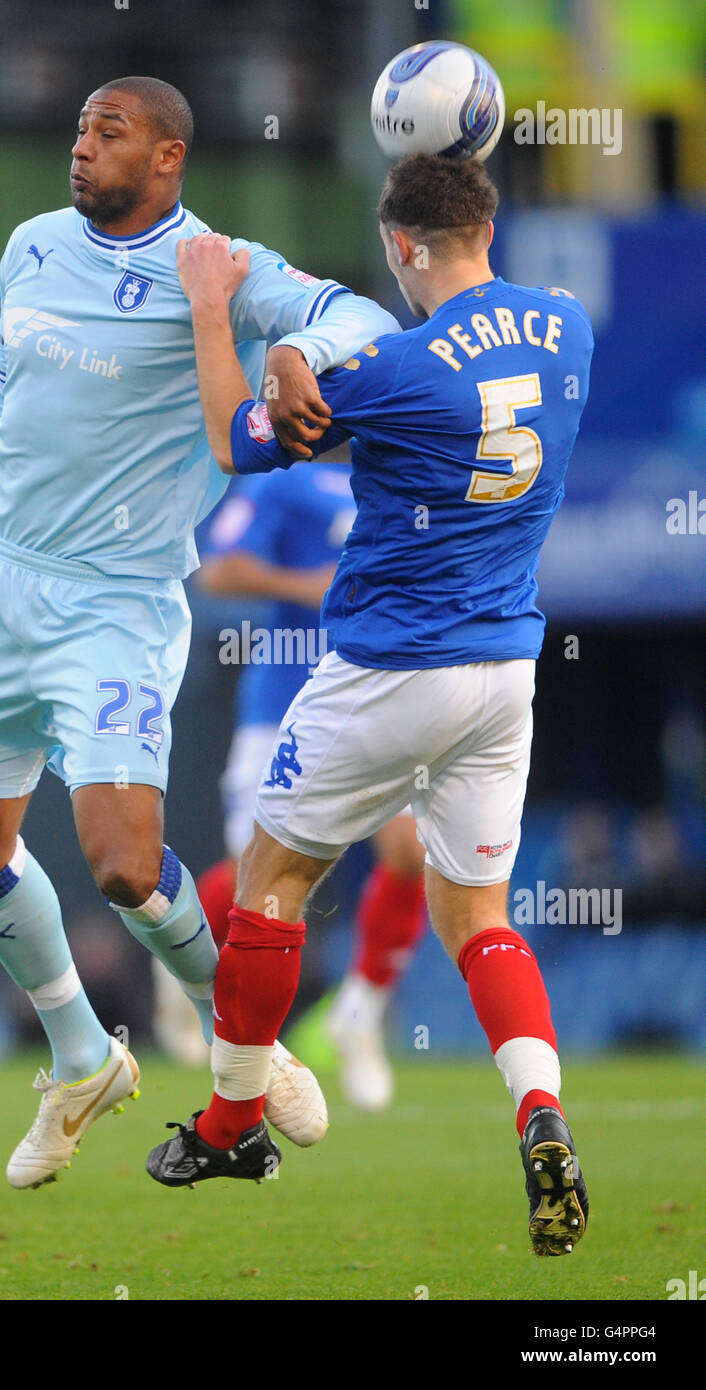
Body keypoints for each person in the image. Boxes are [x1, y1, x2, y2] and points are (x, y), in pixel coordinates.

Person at [0, 76, 399, 1189]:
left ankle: (235, 1042)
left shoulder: (215, 265)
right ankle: (80, 1060)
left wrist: (301, 352)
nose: (79, 148)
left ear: (165, 157)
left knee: (120, 863)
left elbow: (366, 318)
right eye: (76, 129)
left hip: (113, 598)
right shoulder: (28, 246)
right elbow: (5, 422)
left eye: (106, 133)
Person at [146, 153, 593, 1259]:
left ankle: (232, 1123)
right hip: (504, 674)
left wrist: (219, 317)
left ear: (398, 248)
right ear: (485, 221)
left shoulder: (394, 367)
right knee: (477, 917)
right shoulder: (567, 324)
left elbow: (233, 442)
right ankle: (539, 1114)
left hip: (387, 666)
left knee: (273, 881)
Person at [156, 466, 428, 1108]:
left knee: (412, 853)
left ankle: (358, 1015)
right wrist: (313, 586)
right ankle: (177, 951)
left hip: (379, 698)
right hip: (285, 705)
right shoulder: (289, 482)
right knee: (260, 876)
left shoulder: (404, 473)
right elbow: (218, 570)